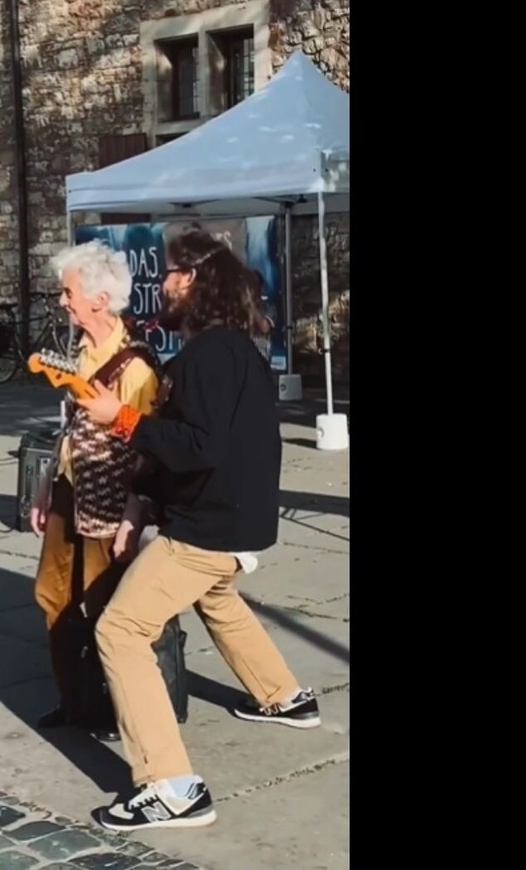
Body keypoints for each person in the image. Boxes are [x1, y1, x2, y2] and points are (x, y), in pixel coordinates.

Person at [75, 229, 320, 832]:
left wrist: (122, 418)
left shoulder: (209, 354)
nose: (164, 283)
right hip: (233, 518)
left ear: (195, 281)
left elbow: (199, 447)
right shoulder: (236, 348)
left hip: (210, 524)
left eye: (171, 274)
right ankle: (284, 696)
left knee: (123, 629)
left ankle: (170, 786)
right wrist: (146, 501)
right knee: (217, 598)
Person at [29, 240, 162, 741]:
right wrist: (45, 486)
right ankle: (75, 699)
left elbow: (150, 449)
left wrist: (135, 512)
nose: (63, 301)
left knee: (104, 605)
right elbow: (70, 430)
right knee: (52, 592)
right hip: (70, 486)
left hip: (111, 500)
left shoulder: (138, 368)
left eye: (69, 293)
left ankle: (112, 707)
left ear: (98, 301)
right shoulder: (80, 352)